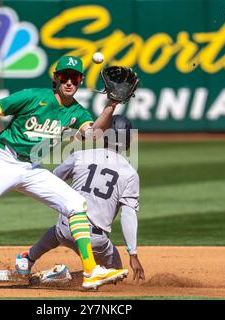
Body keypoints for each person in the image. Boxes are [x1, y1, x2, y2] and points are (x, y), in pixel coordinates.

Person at [0, 56, 130, 291]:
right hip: (2, 160)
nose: (69, 82)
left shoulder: (76, 111)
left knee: (76, 203)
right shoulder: (33, 96)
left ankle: (90, 270)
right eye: (64, 76)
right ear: (56, 78)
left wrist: (111, 104)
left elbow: (93, 135)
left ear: (80, 81)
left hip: (31, 169)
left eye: (75, 78)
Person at [15, 115, 145, 284]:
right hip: (96, 241)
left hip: (66, 229)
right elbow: (128, 215)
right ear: (128, 142)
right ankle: (63, 277)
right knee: (115, 274)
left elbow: (53, 178)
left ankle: (29, 258)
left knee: (60, 225)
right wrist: (133, 253)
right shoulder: (130, 174)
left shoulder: (80, 156)